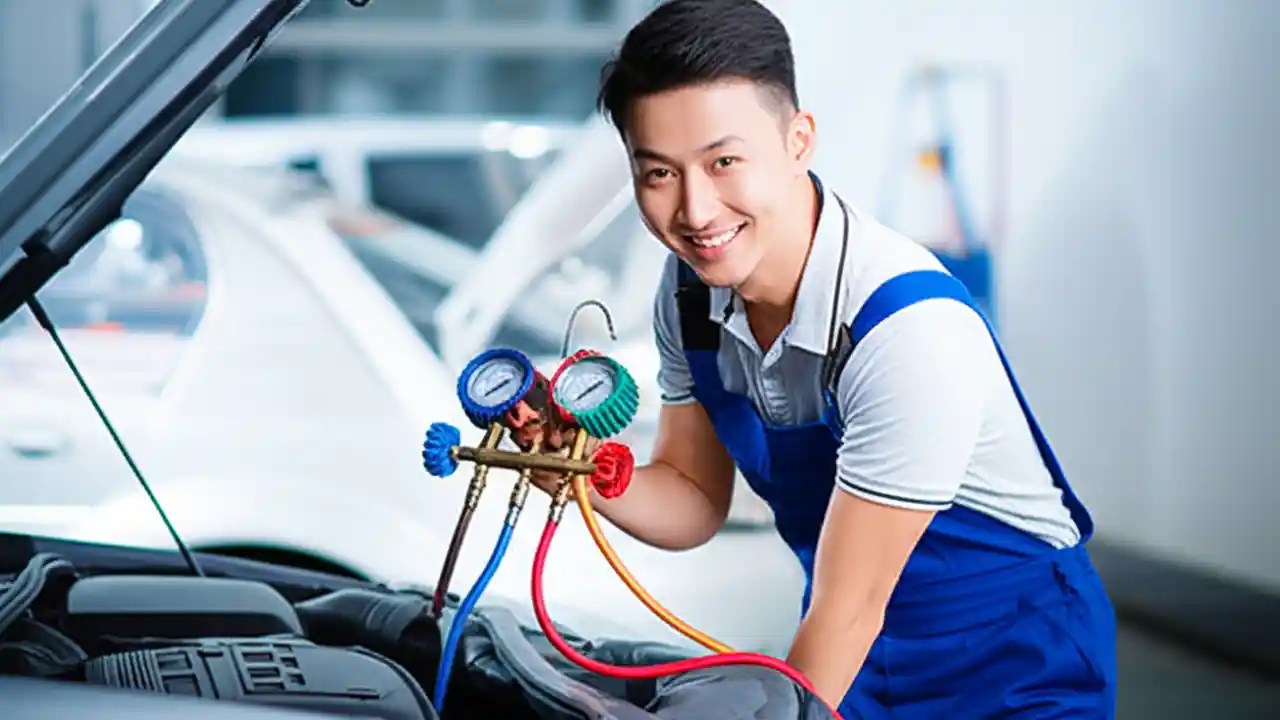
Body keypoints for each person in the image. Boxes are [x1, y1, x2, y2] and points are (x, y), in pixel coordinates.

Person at [524, 0, 1118, 716]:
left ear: (799, 140)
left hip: (1013, 664)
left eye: (725, 161)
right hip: (860, 654)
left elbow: (851, 608)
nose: (696, 210)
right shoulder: (689, 294)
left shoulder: (906, 331)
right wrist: (582, 469)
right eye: (658, 174)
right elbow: (691, 498)